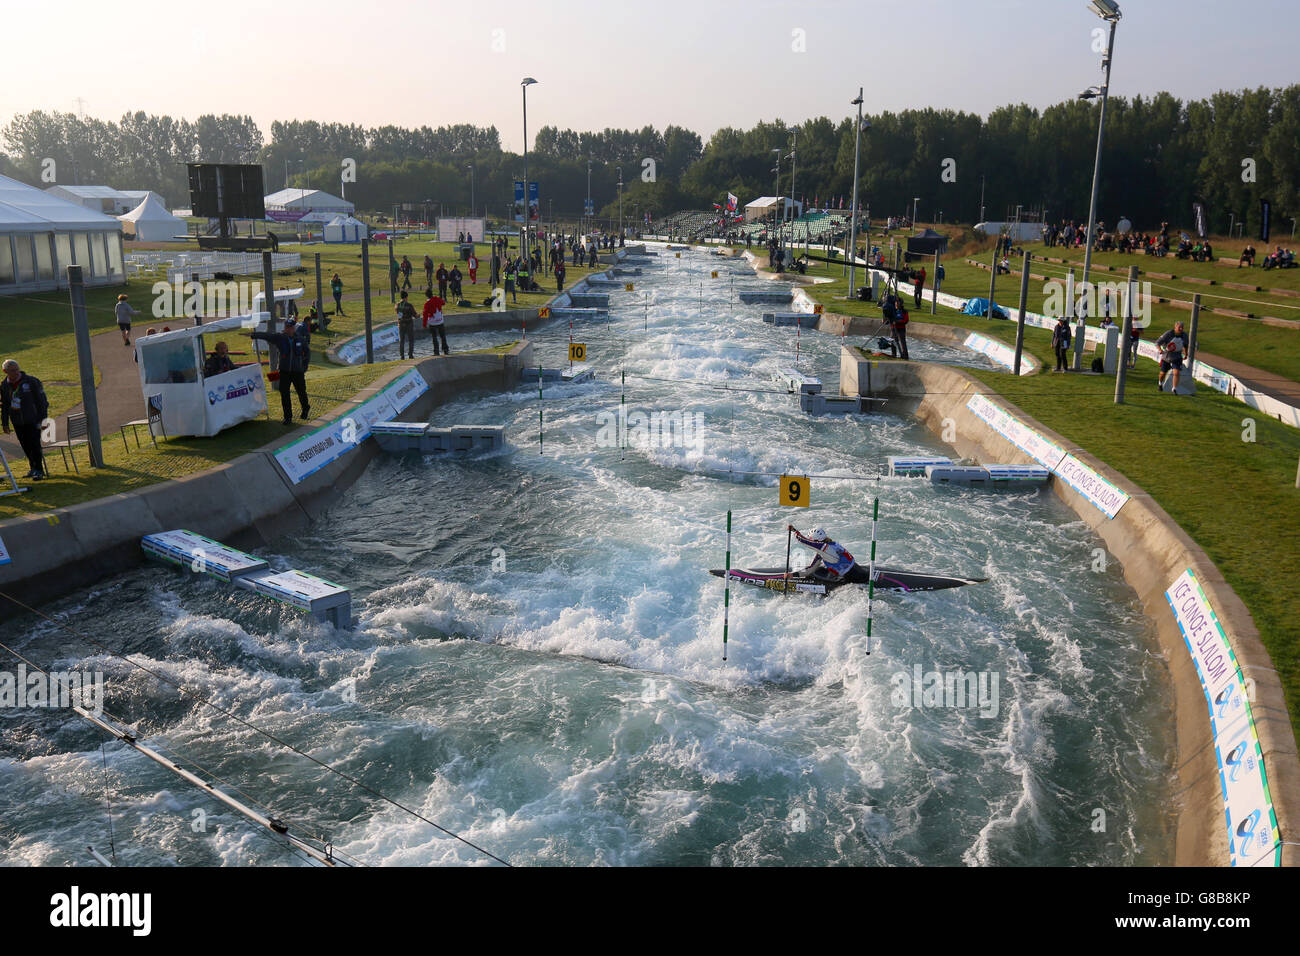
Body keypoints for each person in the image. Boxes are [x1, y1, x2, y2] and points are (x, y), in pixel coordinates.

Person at [248, 317, 311, 425]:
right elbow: (267, 336)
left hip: (297, 372)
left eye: (291, 327)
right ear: (285, 328)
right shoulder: (279, 338)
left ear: (294, 328)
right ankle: (288, 417)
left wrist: (304, 367)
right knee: (285, 394)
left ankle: (305, 408)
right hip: (284, 372)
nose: (289, 329)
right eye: (287, 327)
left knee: (301, 392)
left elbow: (307, 352)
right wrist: (254, 335)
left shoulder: (300, 339)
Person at [1, 359, 49, 480]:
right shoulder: (4, 385)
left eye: (17, 369)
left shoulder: (31, 381)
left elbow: (42, 402)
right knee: (25, 445)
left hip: (33, 420)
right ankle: (33, 468)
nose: (16, 372)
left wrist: (43, 419)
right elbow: (5, 405)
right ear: (5, 371)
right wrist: (5, 423)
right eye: (12, 370)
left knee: (35, 445)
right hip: (17, 422)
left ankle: (39, 470)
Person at [788, 526, 856, 582]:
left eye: (812, 541)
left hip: (850, 577)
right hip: (855, 568)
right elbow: (811, 569)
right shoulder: (831, 546)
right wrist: (793, 575)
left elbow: (805, 542)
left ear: (816, 541)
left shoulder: (825, 548)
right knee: (819, 569)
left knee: (818, 572)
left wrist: (794, 531)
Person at [1156, 320, 1188, 392]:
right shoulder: (1168, 334)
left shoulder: (1184, 335)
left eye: (1182, 327)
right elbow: (1157, 343)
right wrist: (1160, 350)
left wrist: (1186, 354)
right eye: (1179, 327)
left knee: (1176, 373)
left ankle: (1174, 388)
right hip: (1166, 356)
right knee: (1163, 373)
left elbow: (1186, 345)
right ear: (1175, 327)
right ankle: (1160, 383)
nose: (1181, 329)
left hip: (1177, 356)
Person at [422, 289, 449, 356]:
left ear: (426, 296)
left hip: (432, 322)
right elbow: (443, 303)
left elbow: (425, 314)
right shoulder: (437, 299)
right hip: (440, 320)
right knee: (443, 336)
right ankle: (445, 350)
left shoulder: (427, 304)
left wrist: (424, 324)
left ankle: (436, 352)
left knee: (434, 337)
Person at [395, 290, 418, 360]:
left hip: (401, 324)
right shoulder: (409, 305)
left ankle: (402, 356)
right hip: (409, 324)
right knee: (411, 340)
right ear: (406, 297)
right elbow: (415, 315)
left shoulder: (397, 305)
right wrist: (418, 315)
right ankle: (410, 355)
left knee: (402, 340)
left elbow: (397, 312)